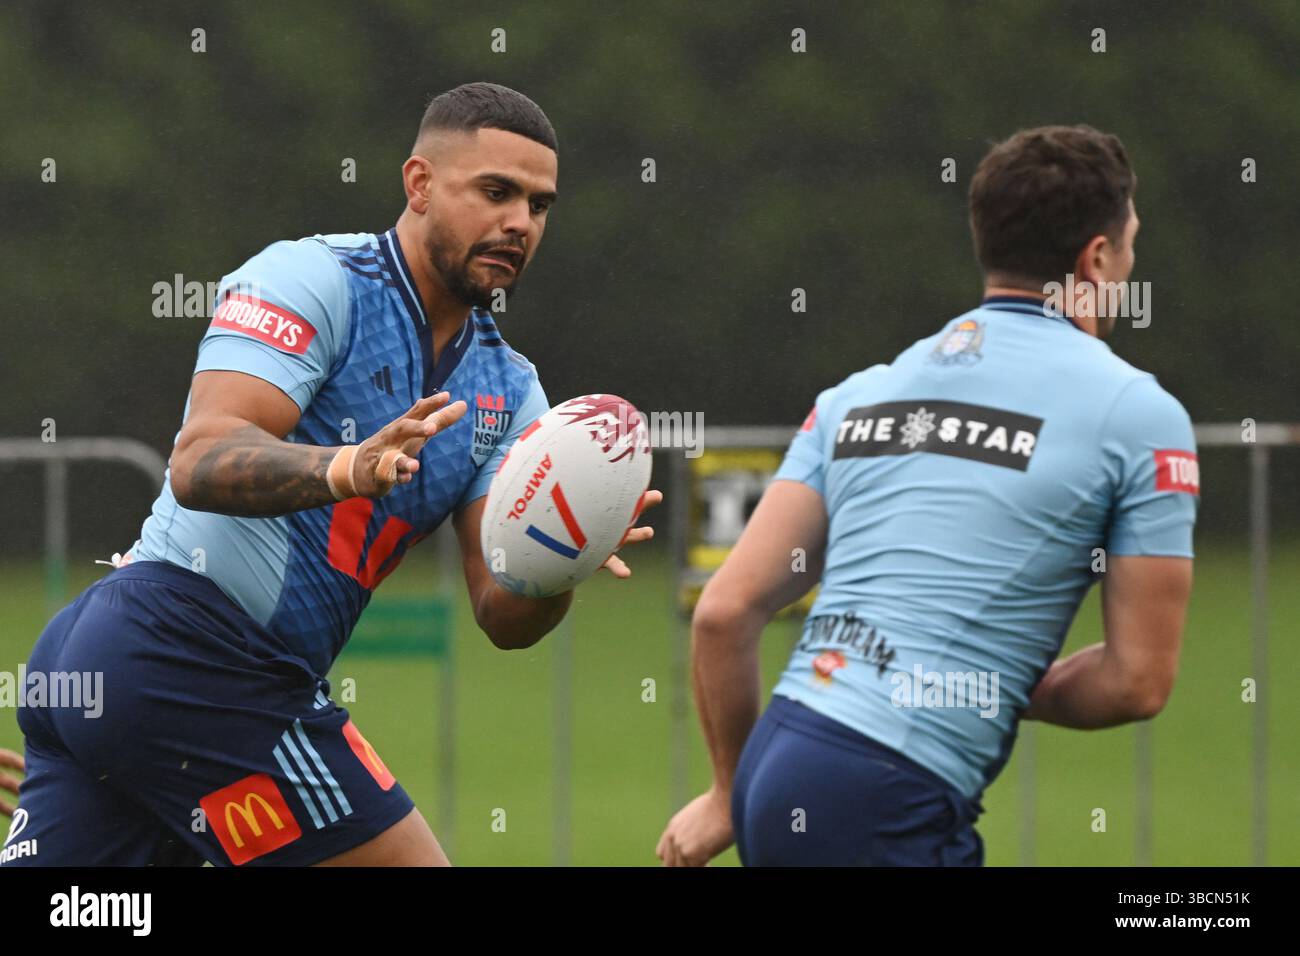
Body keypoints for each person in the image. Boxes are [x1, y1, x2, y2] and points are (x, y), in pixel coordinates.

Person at [2, 81, 657, 867]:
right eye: (495, 192)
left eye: (539, 206)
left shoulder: (512, 392)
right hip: (185, 648)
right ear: (418, 184)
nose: (519, 222)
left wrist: (563, 559)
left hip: (133, 673)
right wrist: (349, 467)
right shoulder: (316, 280)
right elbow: (199, 458)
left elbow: (501, 612)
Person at [657, 125, 1198, 867]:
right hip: (885, 794)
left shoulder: (858, 395)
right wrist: (991, 678)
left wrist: (726, 792)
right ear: (1097, 260)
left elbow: (724, 612)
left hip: (777, 765)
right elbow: (1136, 682)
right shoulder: (1138, 413)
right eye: (1131, 245)